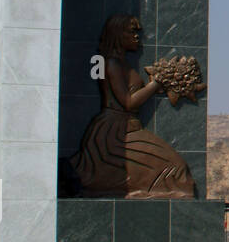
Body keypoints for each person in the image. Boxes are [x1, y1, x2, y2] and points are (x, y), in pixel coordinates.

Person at [66, 14, 197, 199]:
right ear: (119, 34)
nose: (137, 36)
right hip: (115, 133)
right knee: (174, 169)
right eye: (132, 31)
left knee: (177, 169)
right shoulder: (111, 63)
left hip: (129, 129)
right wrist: (156, 83)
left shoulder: (122, 63)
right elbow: (128, 102)